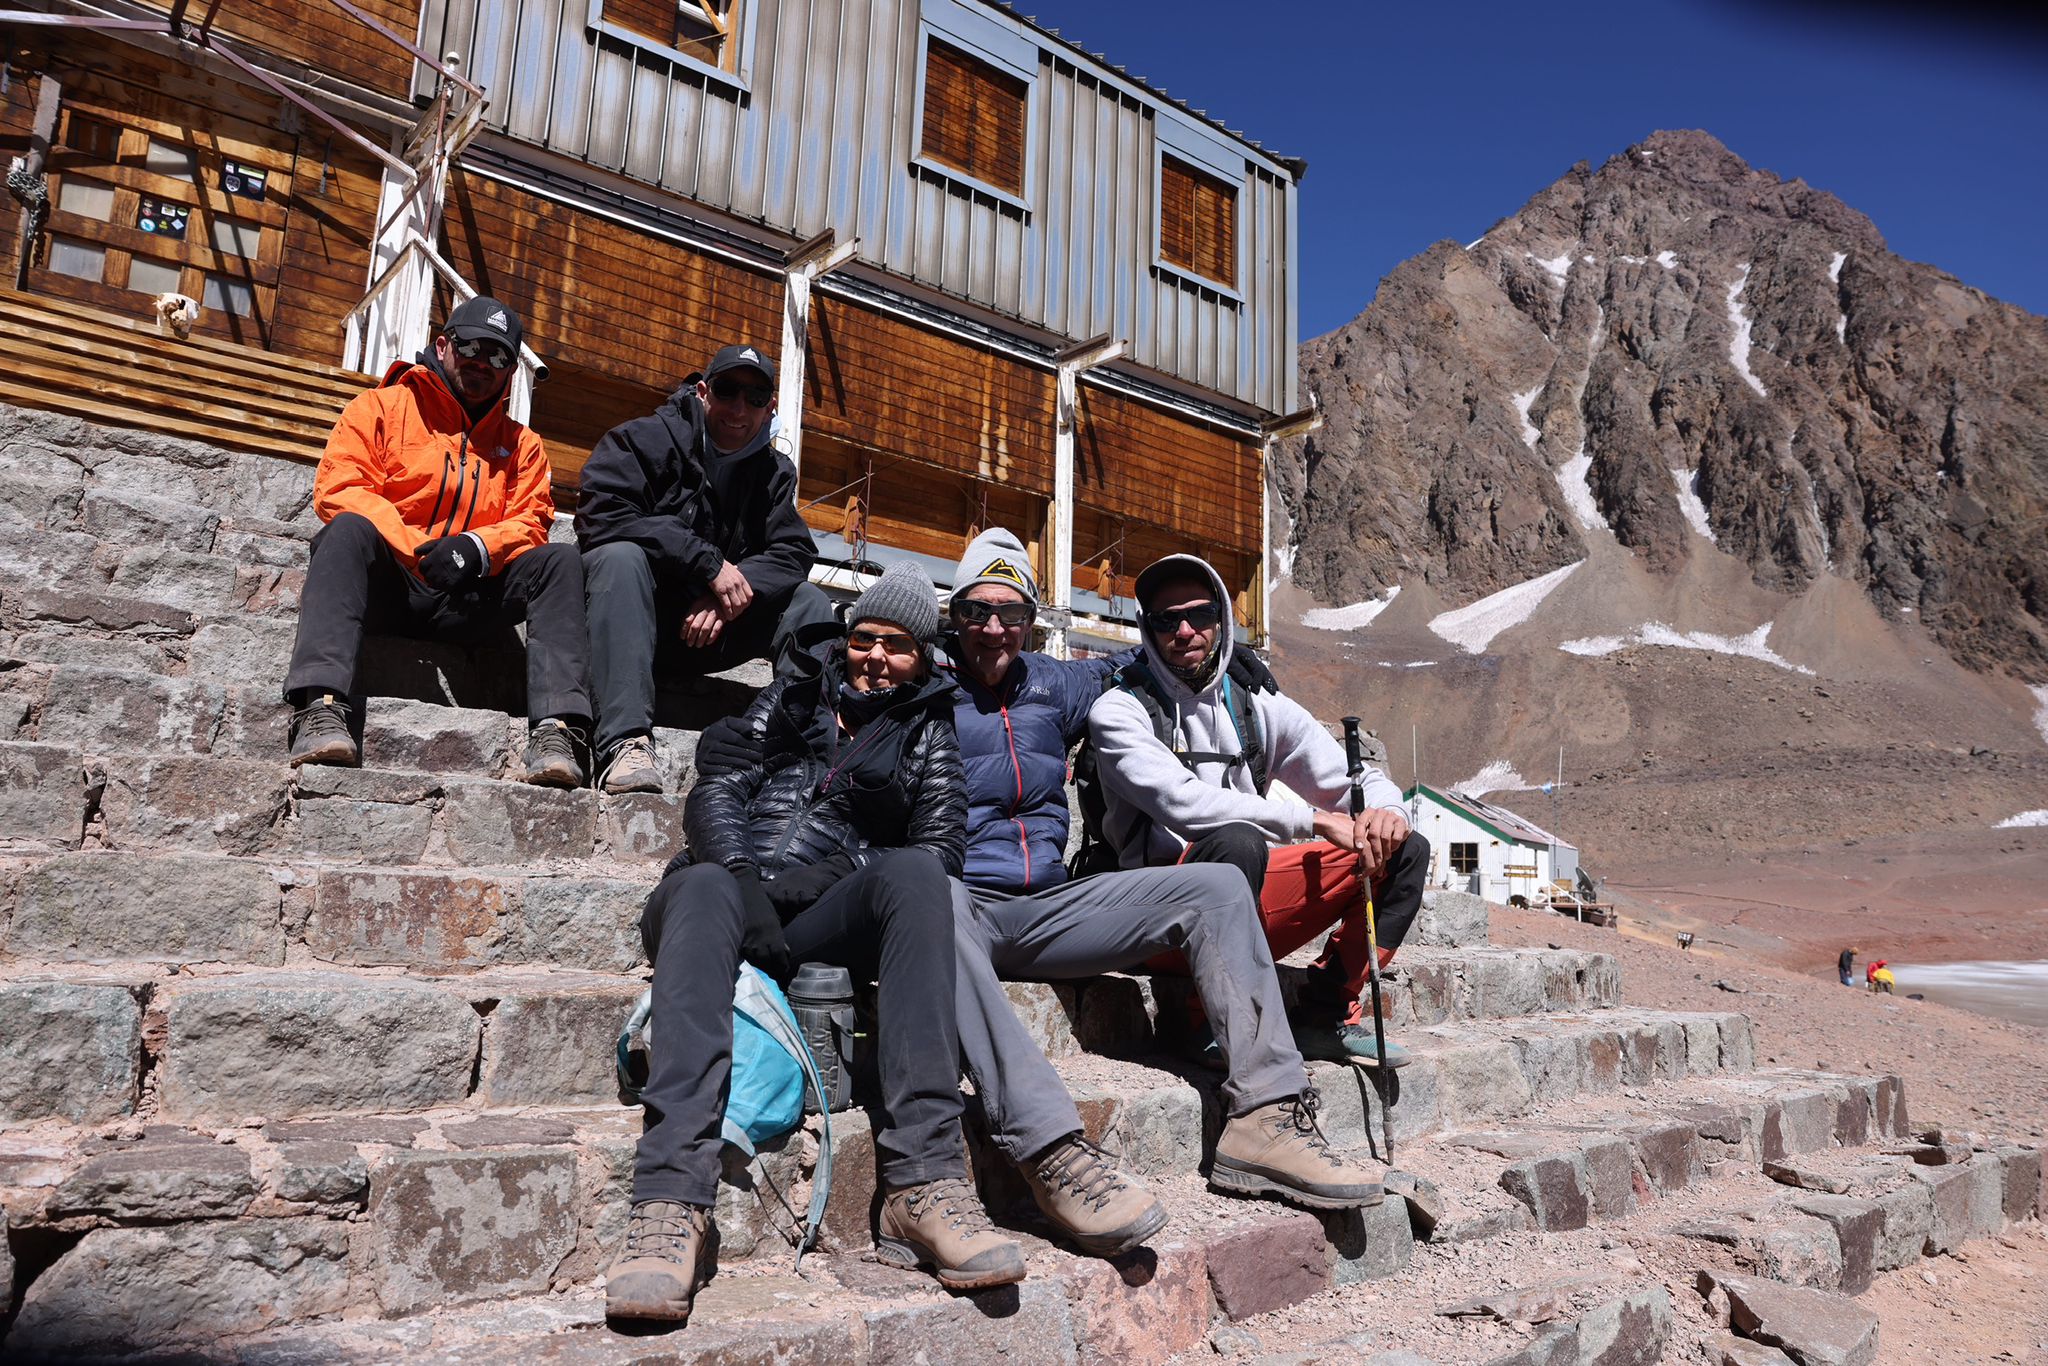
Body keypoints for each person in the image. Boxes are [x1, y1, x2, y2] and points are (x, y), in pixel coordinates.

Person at [606, 562, 1023, 1326]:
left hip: (815, 913)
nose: (873, 656)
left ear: (923, 658)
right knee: (696, 886)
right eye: (864, 637)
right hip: (717, 891)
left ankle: (924, 1182)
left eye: (897, 646)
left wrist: (826, 877)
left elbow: (940, 846)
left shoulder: (931, 735)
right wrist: (739, 872)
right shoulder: (793, 694)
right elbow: (718, 787)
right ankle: (671, 1199)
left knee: (918, 881)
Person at [937, 531, 1387, 1229]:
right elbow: (856, 649)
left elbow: (1152, 652)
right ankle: (1049, 1148)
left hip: (1052, 910)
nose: (993, 629)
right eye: (974, 612)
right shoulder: (926, 686)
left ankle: (1264, 1118)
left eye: (1011, 612)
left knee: (1215, 882)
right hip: (956, 907)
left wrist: (1237, 655)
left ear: (1031, 620)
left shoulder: (1057, 683)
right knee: (930, 895)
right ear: (952, 617)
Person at [1086, 554, 1432, 1068]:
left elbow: (1343, 775)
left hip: (1246, 897)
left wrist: (1387, 813)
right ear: (1147, 629)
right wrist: (1310, 821)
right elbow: (1185, 804)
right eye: (1166, 620)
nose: (1184, 630)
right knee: (1236, 842)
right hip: (1154, 915)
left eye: (1200, 615)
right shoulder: (1117, 711)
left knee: (1405, 850)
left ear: (1221, 619)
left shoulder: (1255, 704)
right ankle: (1207, 1022)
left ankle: (1326, 1013)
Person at [282, 297, 589, 785]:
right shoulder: (379, 408)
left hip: (467, 597)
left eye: (498, 356)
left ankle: (557, 728)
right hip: (394, 585)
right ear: (443, 345)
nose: (481, 363)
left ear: (511, 368)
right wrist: (416, 548)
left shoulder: (524, 446)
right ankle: (319, 705)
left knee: (559, 561)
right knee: (344, 531)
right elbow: (341, 488)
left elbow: (531, 522)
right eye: (471, 347)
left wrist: (476, 549)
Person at [575, 343, 837, 794]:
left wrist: (729, 593)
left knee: (809, 601)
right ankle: (624, 741)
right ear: (702, 392)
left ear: (770, 407)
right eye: (727, 390)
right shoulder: (644, 438)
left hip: (709, 629)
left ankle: (804, 757)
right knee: (619, 555)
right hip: (633, 623)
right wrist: (707, 561)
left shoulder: (774, 473)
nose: (739, 407)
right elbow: (600, 514)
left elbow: (793, 551)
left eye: (755, 398)